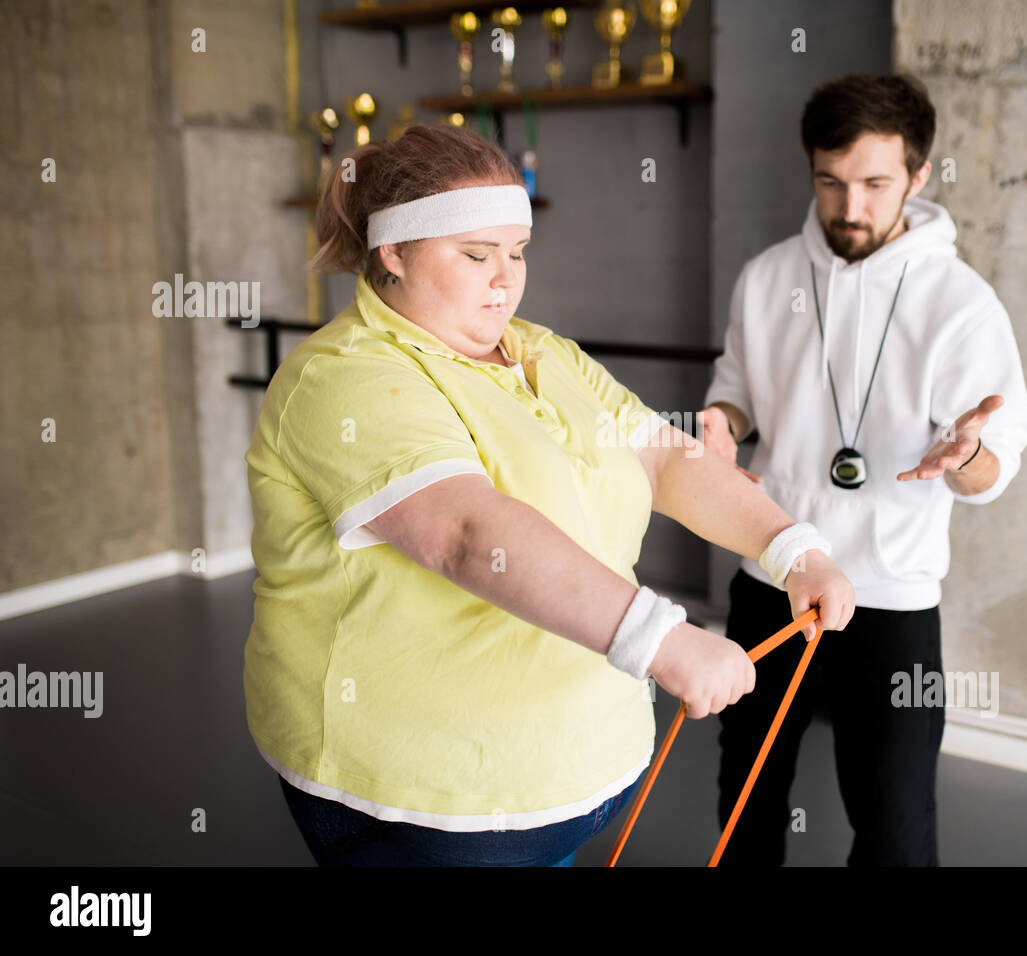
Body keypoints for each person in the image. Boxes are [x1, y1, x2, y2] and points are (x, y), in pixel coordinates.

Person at [242, 123, 858, 867]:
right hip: (430, 800)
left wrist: (793, 547)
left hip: (564, 770)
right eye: (475, 256)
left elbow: (664, 459)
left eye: (517, 252)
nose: (506, 279)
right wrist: (661, 638)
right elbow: (467, 533)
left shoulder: (543, 351)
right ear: (393, 253)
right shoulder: (345, 379)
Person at [697, 73, 1027, 866]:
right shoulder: (766, 277)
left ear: (918, 176)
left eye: (876, 184)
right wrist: (721, 426)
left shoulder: (962, 303)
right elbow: (736, 393)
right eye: (831, 182)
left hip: (891, 597)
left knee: (896, 828)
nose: (850, 207)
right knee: (746, 797)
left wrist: (968, 456)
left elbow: (996, 465)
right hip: (772, 575)